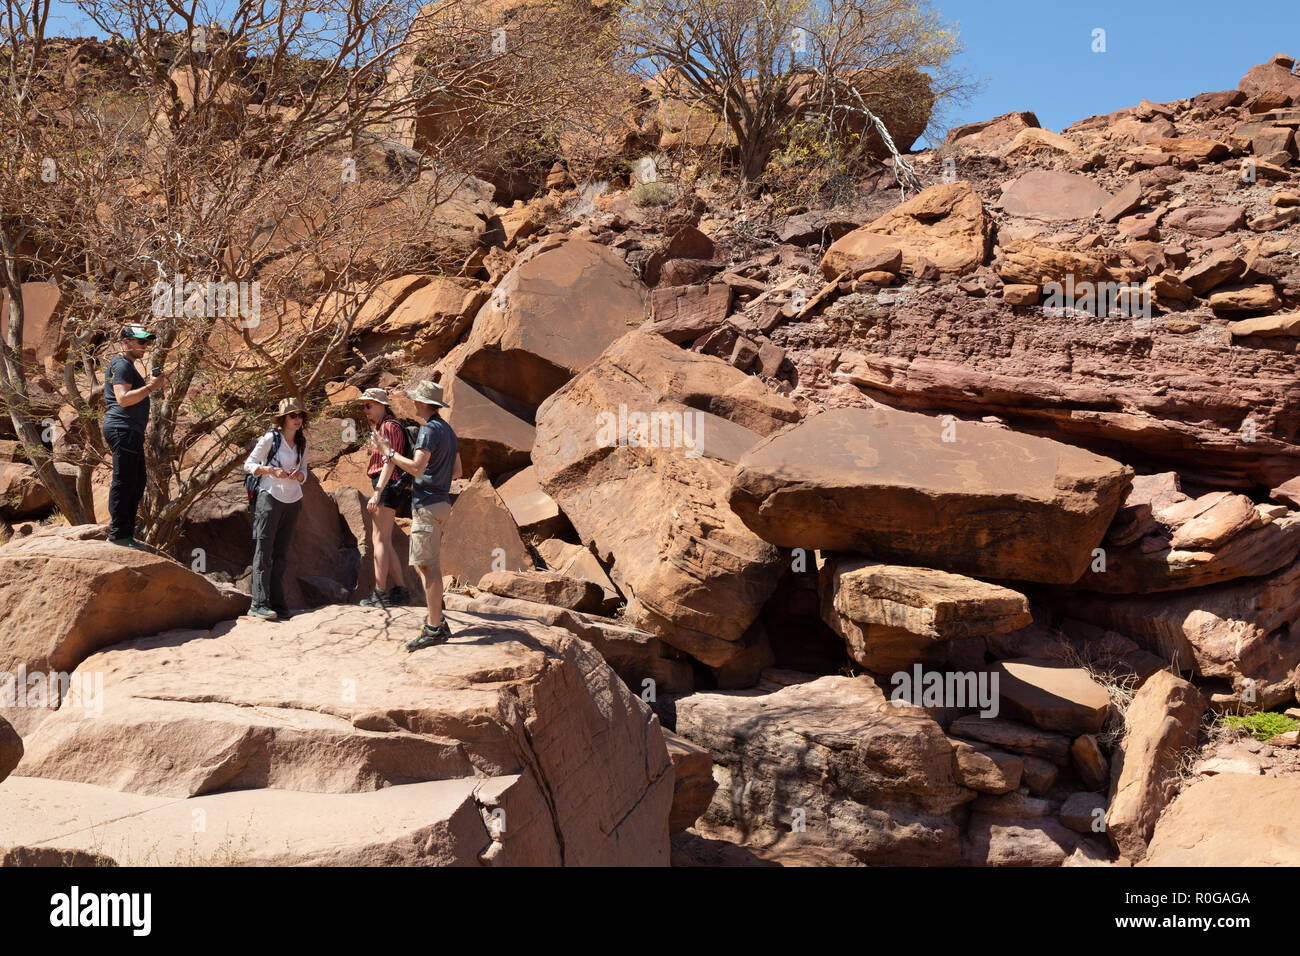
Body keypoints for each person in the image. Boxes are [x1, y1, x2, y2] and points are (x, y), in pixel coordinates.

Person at [374, 380, 461, 651]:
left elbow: (415, 467)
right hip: (442, 503)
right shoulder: (447, 430)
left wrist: (389, 453)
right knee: (425, 565)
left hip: (426, 504)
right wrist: (438, 476)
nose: (413, 403)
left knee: (428, 568)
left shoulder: (428, 431)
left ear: (423, 404)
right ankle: (438, 620)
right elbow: (457, 470)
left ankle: (434, 629)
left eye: (415, 400)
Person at [243, 398, 311, 621]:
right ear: (283, 419)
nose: (298, 420)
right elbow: (249, 464)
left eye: (300, 416)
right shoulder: (270, 438)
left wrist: (298, 475)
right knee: (264, 550)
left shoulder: (302, 443)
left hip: (293, 500)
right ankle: (258, 603)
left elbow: (304, 473)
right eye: (293, 416)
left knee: (281, 554)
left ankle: (277, 602)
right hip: (270, 497)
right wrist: (270, 470)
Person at [102, 324, 165, 548]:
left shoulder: (127, 365)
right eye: (140, 341)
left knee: (137, 481)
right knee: (125, 480)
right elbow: (123, 399)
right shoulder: (121, 365)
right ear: (126, 342)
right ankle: (118, 534)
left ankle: (124, 533)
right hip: (122, 427)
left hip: (129, 429)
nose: (144, 346)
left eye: (146, 342)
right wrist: (151, 387)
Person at [358, 387, 410, 608]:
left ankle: (380, 593)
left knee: (378, 539)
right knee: (385, 540)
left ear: (381, 405)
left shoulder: (388, 427)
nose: (365, 409)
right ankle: (400, 590)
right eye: (364, 405)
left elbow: (390, 462)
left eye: (368, 405)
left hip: (385, 484)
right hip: (386, 484)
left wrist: (377, 492)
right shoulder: (386, 426)